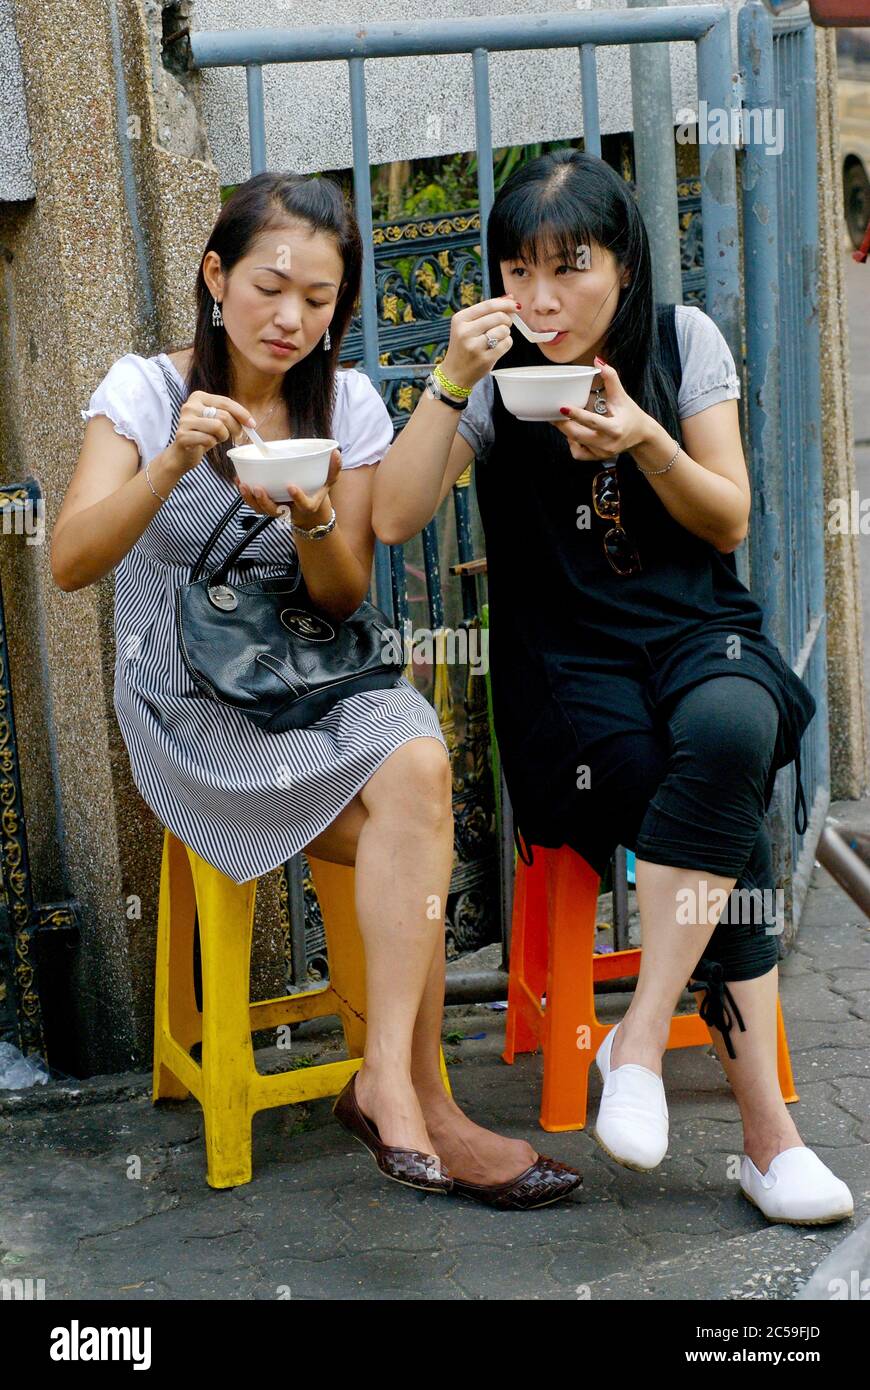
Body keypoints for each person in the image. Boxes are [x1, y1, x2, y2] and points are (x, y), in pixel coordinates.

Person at [50, 172, 581, 1210]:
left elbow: (341, 593)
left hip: (312, 672)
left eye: (321, 297)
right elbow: (68, 559)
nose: (292, 317)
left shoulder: (343, 404)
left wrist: (310, 510)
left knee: (418, 761)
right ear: (216, 276)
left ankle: (388, 1077)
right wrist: (173, 464)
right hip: (185, 696)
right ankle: (425, 1097)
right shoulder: (143, 393)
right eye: (269, 285)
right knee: (412, 811)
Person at [373, 149, 854, 1226]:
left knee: (730, 725)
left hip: (695, 639)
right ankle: (771, 1142)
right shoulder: (494, 387)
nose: (541, 300)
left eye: (570, 267)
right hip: (565, 671)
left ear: (623, 267)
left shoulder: (683, 345)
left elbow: (727, 518)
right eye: (518, 270)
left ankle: (636, 1037)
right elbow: (395, 519)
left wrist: (644, 440)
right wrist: (451, 382)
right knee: (719, 797)